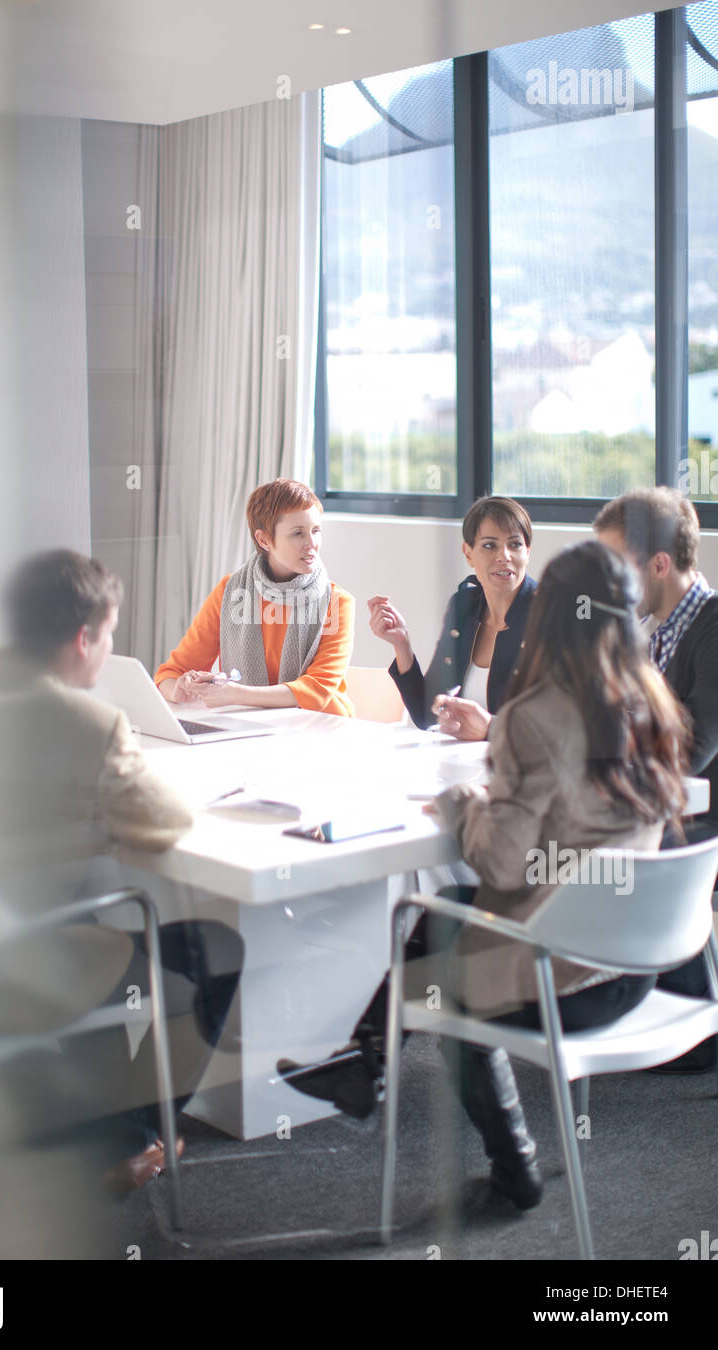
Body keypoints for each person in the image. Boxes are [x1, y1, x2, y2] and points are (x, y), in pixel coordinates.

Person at [284, 542, 689, 1210]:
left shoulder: (536, 716)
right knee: (441, 916)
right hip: (636, 962)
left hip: (570, 974)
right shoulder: (650, 705)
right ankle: (362, 1068)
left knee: (443, 977)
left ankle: (513, 1170)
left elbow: (501, 860)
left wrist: (462, 802)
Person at [0, 549, 243, 1194]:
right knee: (213, 947)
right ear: (82, 638)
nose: (108, 646)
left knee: (101, 927)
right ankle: (135, 1138)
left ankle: (85, 1126)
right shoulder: (88, 721)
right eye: (110, 633)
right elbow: (164, 824)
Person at [595, 486, 718, 1070]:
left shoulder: (712, 630)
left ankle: (684, 1013)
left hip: (701, 821)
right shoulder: (652, 631)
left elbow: (689, 754)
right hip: (672, 812)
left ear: (660, 564)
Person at [155, 478, 355, 716]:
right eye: (298, 533)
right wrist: (178, 689)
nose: (311, 543)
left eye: (316, 531)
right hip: (248, 728)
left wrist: (236, 694)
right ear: (264, 540)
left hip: (322, 730)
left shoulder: (337, 602)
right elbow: (172, 672)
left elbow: (316, 690)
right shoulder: (230, 591)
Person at [368, 495, 536, 740]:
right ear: (468, 554)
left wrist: (490, 727)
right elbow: (427, 716)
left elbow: (564, 726)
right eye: (490, 545)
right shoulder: (464, 606)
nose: (505, 555)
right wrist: (402, 644)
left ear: (527, 552)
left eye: (515, 544)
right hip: (464, 764)